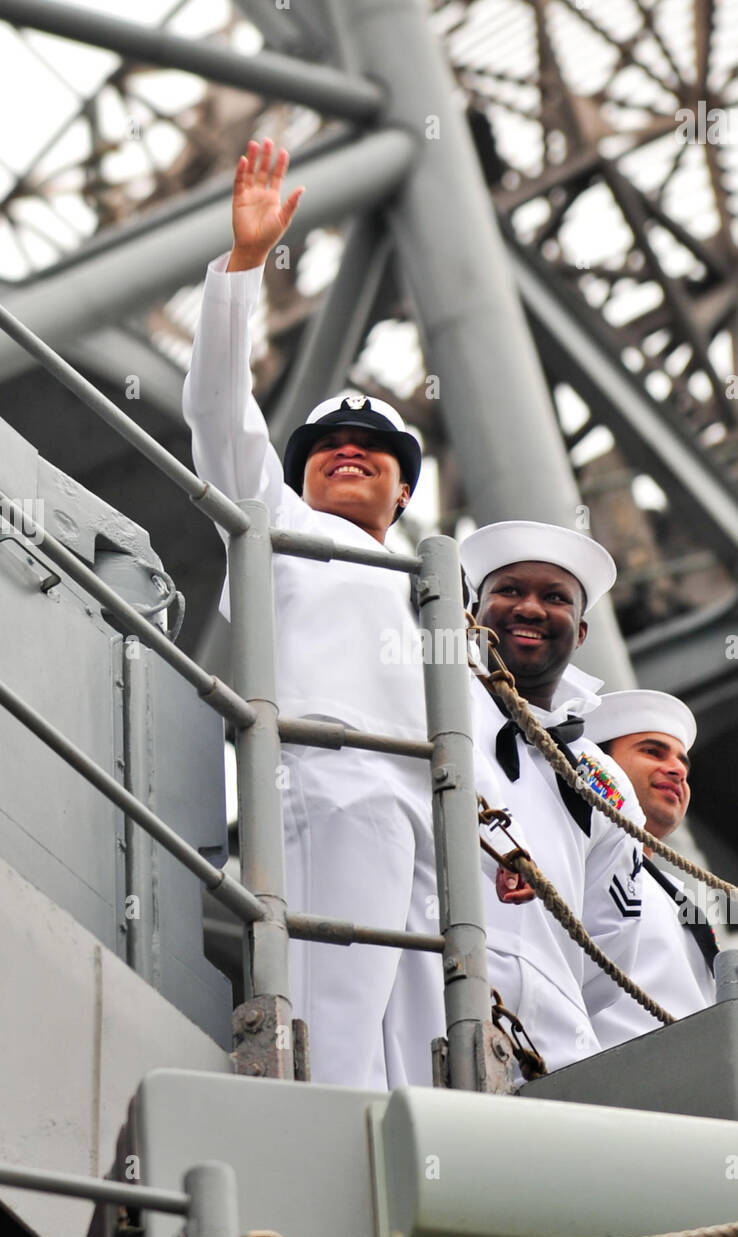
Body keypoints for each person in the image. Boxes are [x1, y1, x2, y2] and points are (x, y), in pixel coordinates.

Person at [182, 139, 443, 1088]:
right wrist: (244, 267)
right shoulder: (274, 518)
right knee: (336, 1022)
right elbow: (220, 411)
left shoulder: (431, 583)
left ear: (405, 486)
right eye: (326, 445)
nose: (348, 453)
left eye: (373, 448)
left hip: (429, 804)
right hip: (332, 788)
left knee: (422, 1038)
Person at [459, 521, 647, 1077]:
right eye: (510, 591)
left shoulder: (602, 776)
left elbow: (610, 940)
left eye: (555, 597)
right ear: (474, 612)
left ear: (582, 631)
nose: (532, 609)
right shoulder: (423, 706)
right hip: (431, 997)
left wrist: (546, 982)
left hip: (557, 1043)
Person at [583, 689, 718, 1048]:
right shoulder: (572, 857)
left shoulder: (674, 892)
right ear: (600, 765)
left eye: (683, 764)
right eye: (652, 752)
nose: (677, 770)